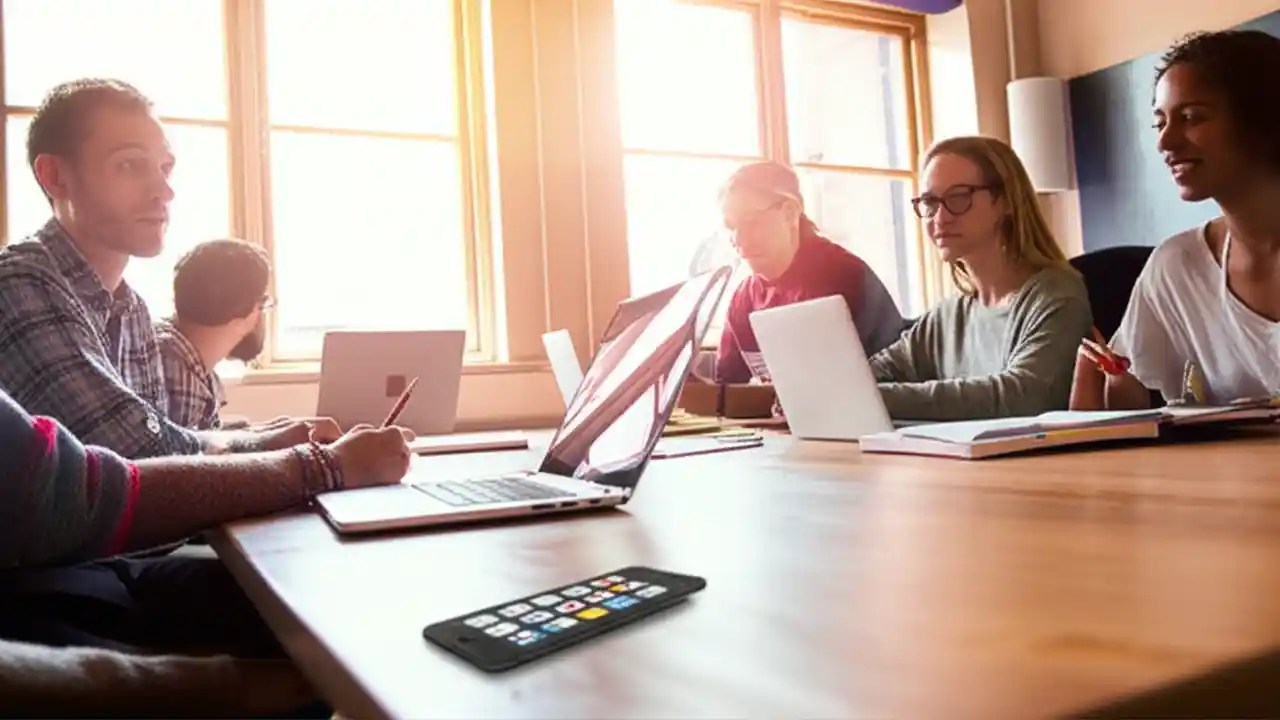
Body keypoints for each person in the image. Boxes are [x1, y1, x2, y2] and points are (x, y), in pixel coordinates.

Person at [0, 386, 412, 714]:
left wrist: (273, 448)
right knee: (361, 665)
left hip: (82, 571)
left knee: (352, 602)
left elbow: (141, 447)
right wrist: (322, 467)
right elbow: (79, 495)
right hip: (35, 614)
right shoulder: (34, 284)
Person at [0, 78, 332, 457]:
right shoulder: (19, 284)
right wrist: (314, 462)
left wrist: (275, 436)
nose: (164, 191)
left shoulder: (133, 310)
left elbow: (169, 448)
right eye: (129, 165)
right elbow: (136, 457)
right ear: (56, 177)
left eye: (165, 168)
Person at [1072, 30, 1280, 409]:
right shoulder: (1177, 266)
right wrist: (1105, 378)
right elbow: (1125, 401)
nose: (1165, 142)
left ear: (1265, 121)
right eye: (1160, 122)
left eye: (1191, 117)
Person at [868, 135, 1092, 420]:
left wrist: (879, 399)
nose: (940, 218)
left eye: (959, 197)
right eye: (930, 202)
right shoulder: (947, 316)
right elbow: (870, 377)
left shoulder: (1057, 295)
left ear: (1007, 202)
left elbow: (1025, 397)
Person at [714, 161, 907, 383]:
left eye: (752, 222)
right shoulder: (743, 298)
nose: (739, 240)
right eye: (731, 227)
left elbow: (833, 389)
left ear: (789, 214)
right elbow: (726, 388)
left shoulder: (838, 276)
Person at [157, 238, 271, 430]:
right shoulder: (179, 372)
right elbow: (187, 458)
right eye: (265, 303)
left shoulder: (181, 355)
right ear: (248, 311)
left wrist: (269, 433)